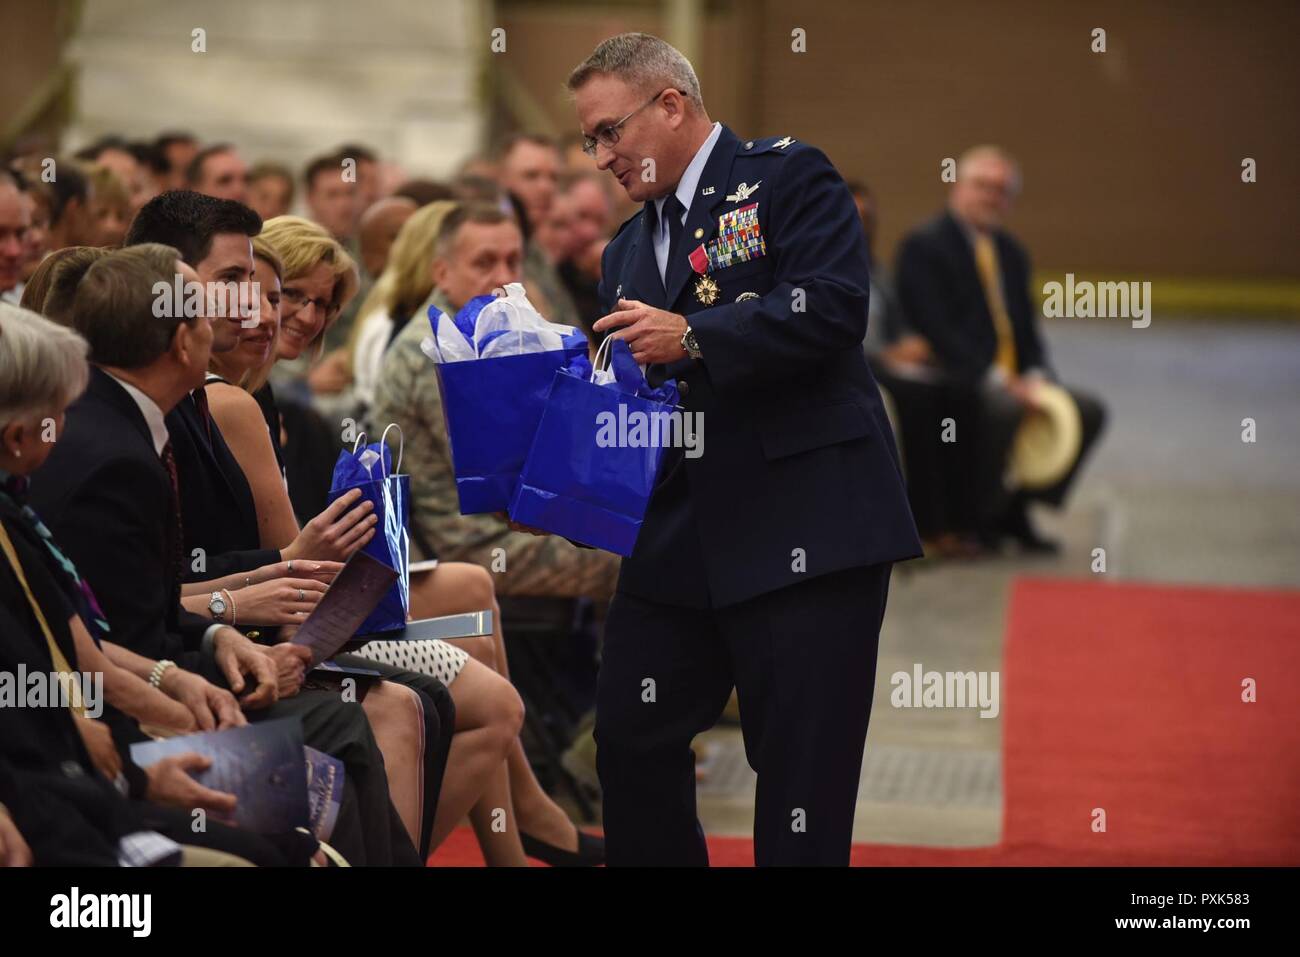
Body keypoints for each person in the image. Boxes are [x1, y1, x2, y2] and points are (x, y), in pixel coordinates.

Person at [566, 33, 923, 865]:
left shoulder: (788, 177)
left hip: (807, 523)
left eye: (610, 131)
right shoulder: (624, 249)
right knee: (629, 737)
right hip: (678, 537)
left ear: (672, 105)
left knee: (802, 777)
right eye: (589, 141)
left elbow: (834, 306)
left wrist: (693, 333)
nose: (600, 157)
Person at [25, 250, 425, 865]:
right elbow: (114, 646)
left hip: (142, 688)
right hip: (109, 735)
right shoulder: (113, 457)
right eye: (217, 301)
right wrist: (210, 670)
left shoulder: (127, 426)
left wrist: (219, 639)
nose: (236, 318)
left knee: (381, 712)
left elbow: (132, 614)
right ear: (184, 342)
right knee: (344, 739)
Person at [373, 202, 621, 601]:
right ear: (443, 272)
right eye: (484, 263)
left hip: (507, 528)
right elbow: (512, 482)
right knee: (637, 555)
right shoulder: (436, 352)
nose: (502, 279)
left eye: (512, 262)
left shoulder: (495, 334)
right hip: (470, 544)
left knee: (642, 536)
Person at [894, 145, 1107, 553]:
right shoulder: (924, 245)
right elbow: (936, 329)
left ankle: (1018, 507)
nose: (990, 196)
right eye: (981, 186)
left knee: (1086, 411)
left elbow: (1027, 333)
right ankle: (982, 517)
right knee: (1006, 409)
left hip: (1017, 377)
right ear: (956, 187)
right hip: (961, 375)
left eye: (1000, 189)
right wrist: (999, 380)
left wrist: (1036, 375)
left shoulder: (1011, 253)